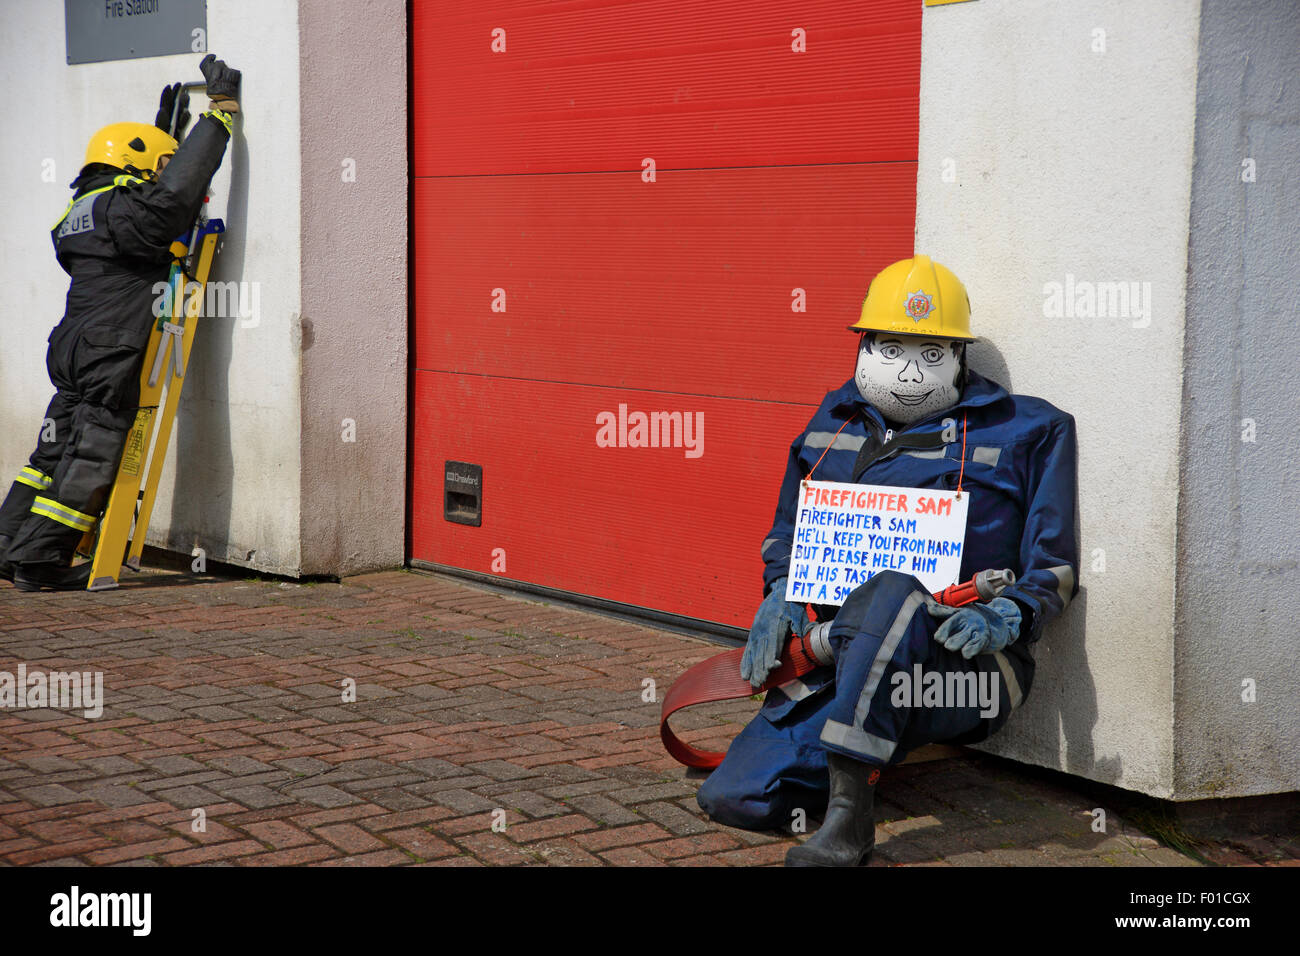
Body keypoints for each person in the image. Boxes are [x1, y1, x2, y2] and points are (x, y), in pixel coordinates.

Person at [694, 255, 1079, 866]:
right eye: (891, 347)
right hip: (843, 657)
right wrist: (780, 591)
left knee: (894, 590)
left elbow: (1055, 566)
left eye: (929, 352)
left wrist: (1007, 616)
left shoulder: (1030, 431)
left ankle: (849, 825)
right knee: (737, 798)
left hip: (966, 673)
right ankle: (869, 743)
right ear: (864, 344)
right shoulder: (831, 423)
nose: (906, 373)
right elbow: (788, 530)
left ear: (959, 356)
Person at [0, 55, 241, 592]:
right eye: (155, 165)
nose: (158, 176)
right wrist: (218, 117)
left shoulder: (81, 210)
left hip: (72, 345)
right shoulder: (126, 211)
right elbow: (169, 204)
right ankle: (41, 561)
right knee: (91, 450)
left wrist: (164, 138)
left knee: (52, 451)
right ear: (135, 168)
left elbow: (135, 219)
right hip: (112, 348)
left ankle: (8, 541)